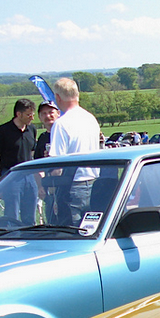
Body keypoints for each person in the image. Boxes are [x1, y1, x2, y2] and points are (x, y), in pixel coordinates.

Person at [49, 77, 101, 225]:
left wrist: (51, 189)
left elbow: (57, 164)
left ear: (58, 98)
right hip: (94, 183)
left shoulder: (61, 124)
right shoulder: (90, 118)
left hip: (72, 185)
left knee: (70, 230)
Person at [0, 98, 37, 222]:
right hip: (11, 176)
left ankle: (30, 236)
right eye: (28, 115)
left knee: (30, 213)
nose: (32, 118)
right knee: (12, 213)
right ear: (18, 114)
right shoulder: (3, 131)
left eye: (33, 114)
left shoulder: (31, 130)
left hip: (29, 175)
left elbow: (31, 152)